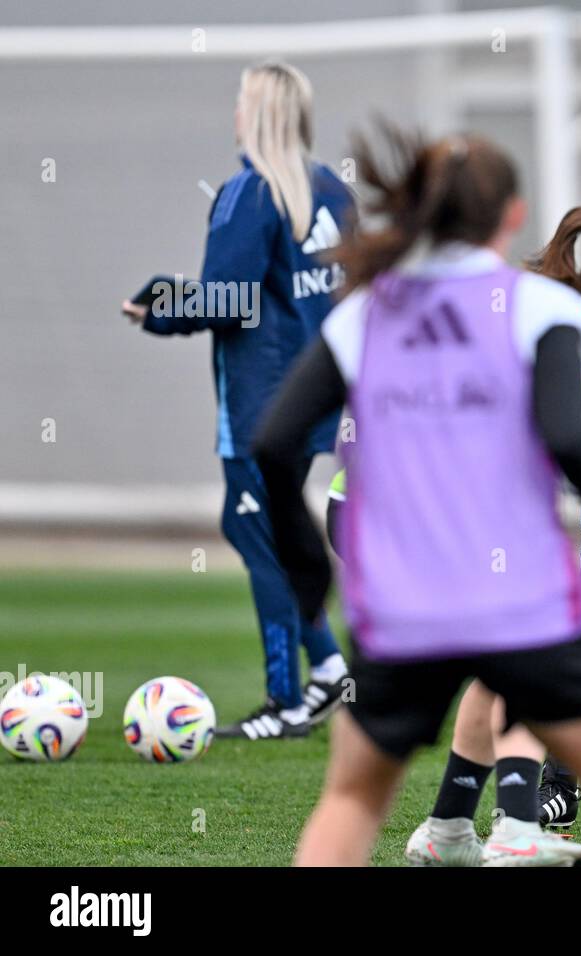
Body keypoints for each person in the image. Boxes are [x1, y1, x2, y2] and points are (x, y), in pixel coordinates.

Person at [251, 126, 581, 867]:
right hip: (522, 601)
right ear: (510, 216)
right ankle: (504, 830)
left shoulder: (365, 312)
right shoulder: (541, 309)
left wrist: (307, 572)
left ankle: (464, 825)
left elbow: (271, 445)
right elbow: (562, 432)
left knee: (352, 801)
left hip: (399, 607)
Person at [393, 206, 581, 865]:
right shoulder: (561, 327)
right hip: (432, 509)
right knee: (533, 652)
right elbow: (557, 436)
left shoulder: (556, 316)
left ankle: (449, 830)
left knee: (505, 665)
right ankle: (517, 828)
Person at [122, 61, 354, 740]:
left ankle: (287, 701)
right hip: (321, 391)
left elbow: (228, 300)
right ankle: (331, 668)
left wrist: (157, 304)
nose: (233, 115)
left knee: (260, 536)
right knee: (262, 527)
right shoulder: (333, 191)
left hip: (262, 401)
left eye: (239, 103)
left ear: (256, 116)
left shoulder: (247, 193)